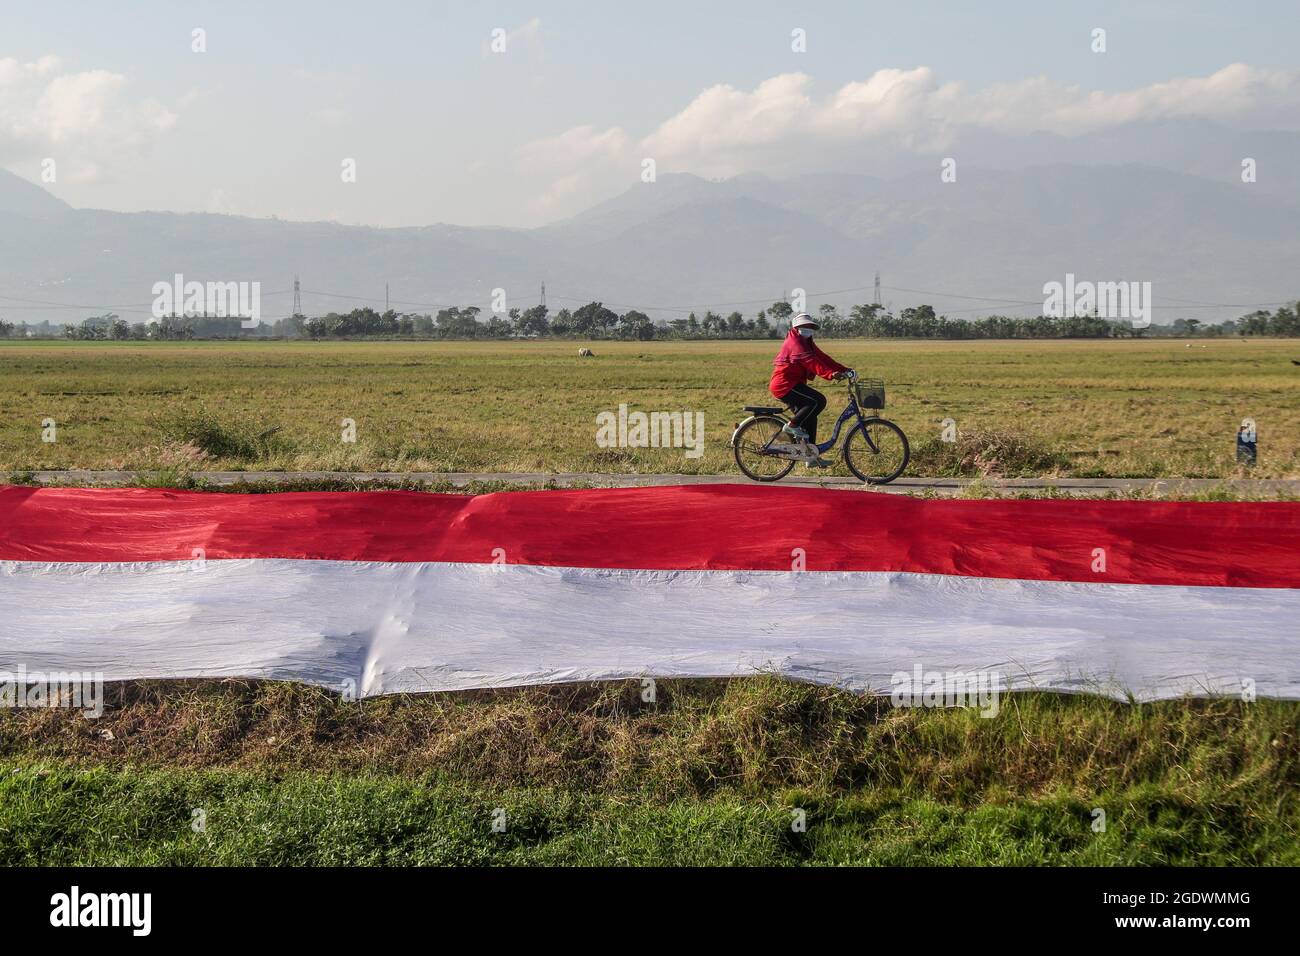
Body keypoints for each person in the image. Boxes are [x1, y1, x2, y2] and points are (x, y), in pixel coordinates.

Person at [769, 313, 852, 467]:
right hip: (784, 385)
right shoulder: (795, 343)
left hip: (793, 383)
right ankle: (790, 427)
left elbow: (823, 358)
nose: (807, 329)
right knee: (818, 400)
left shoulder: (806, 342)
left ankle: (811, 456)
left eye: (810, 327)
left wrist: (844, 369)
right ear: (796, 328)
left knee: (810, 417)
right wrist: (830, 374)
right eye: (804, 327)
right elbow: (811, 362)